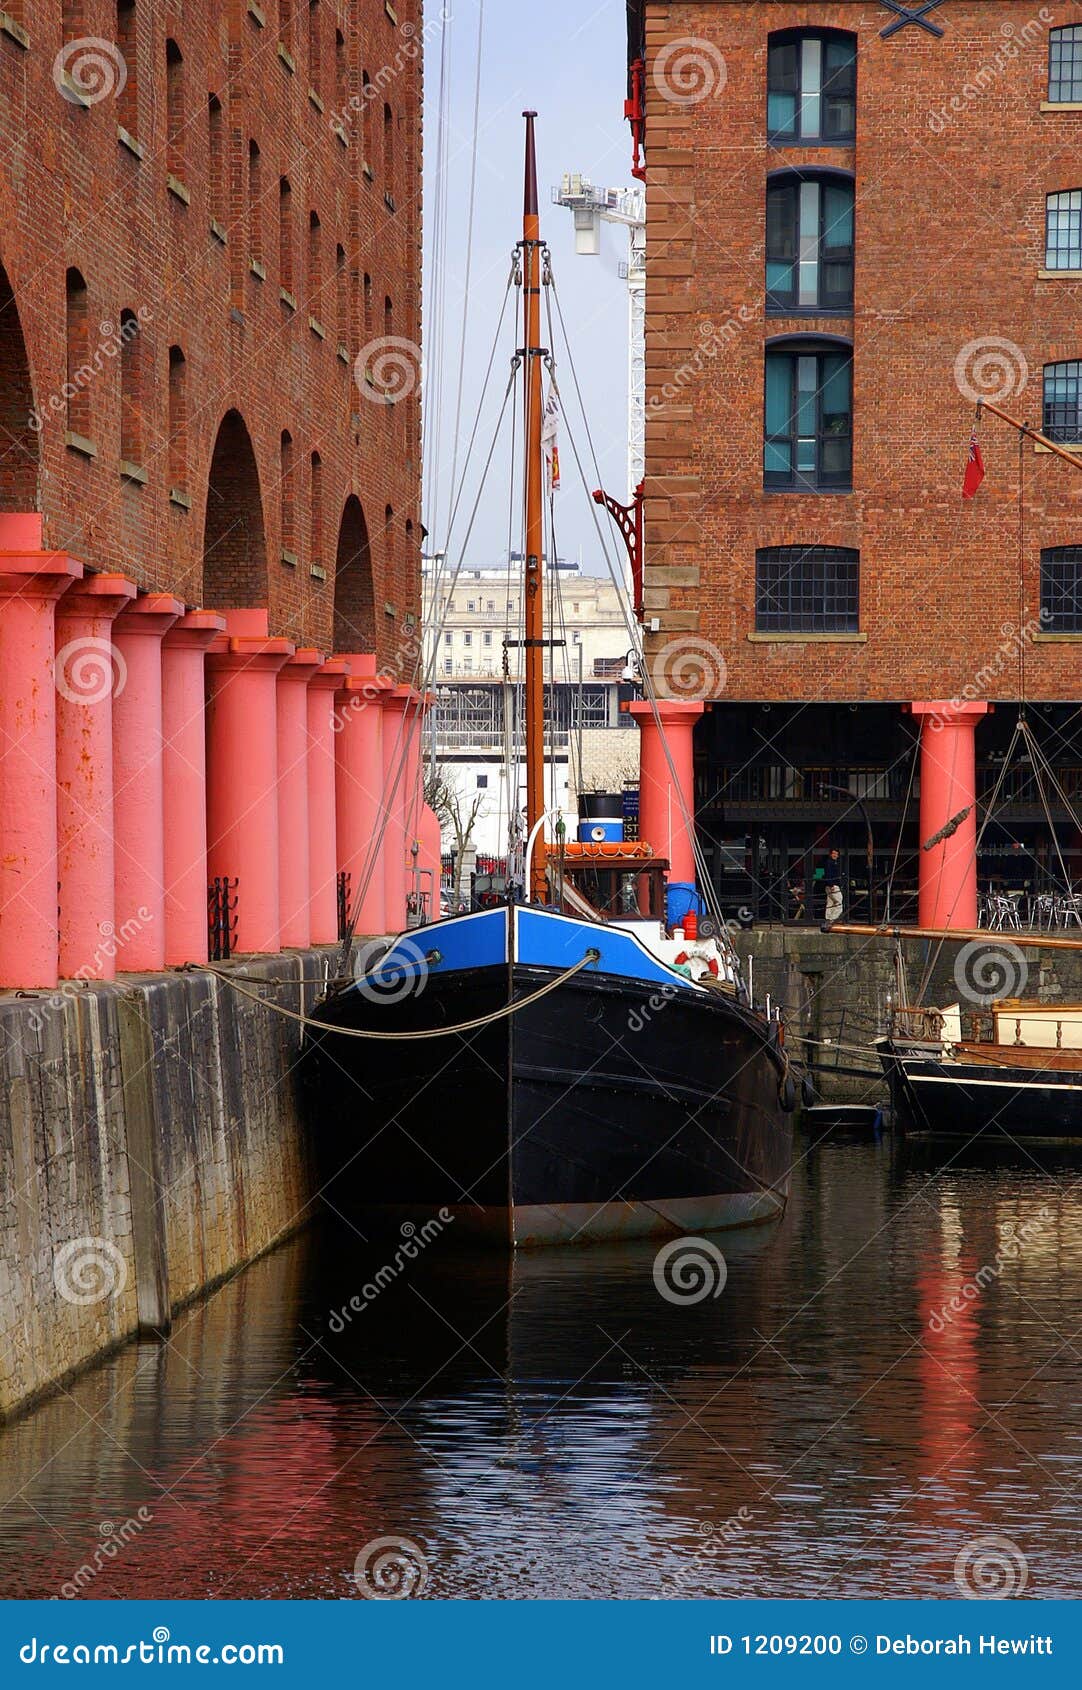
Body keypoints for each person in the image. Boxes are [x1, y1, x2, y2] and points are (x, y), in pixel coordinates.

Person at [824, 847, 845, 926]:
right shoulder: (830, 863)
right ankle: (833, 919)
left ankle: (828, 919)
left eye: (836, 854)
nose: (835, 855)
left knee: (830, 902)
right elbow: (828, 874)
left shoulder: (833, 863)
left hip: (830, 885)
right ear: (830, 854)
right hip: (833, 886)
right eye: (833, 853)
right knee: (839, 902)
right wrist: (831, 884)